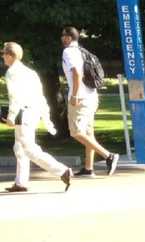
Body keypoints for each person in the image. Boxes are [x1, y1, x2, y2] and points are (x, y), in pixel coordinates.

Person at [2, 42, 72, 193]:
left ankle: (63, 170)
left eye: (3, 54)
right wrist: (45, 117)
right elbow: (40, 96)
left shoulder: (11, 73)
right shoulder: (29, 72)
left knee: (30, 149)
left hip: (23, 113)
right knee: (19, 148)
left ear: (10, 55)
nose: (3, 57)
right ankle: (21, 182)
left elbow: (15, 97)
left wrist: (11, 117)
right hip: (32, 113)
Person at [60, 26, 118, 177]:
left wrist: (74, 95)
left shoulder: (68, 52)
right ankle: (88, 168)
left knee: (76, 132)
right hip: (92, 96)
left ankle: (108, 156)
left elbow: (77, 74)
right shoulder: (83, 51)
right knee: (88, 133)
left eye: (63, 36)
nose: (61, 38)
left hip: (80, 98)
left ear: (68, 37)